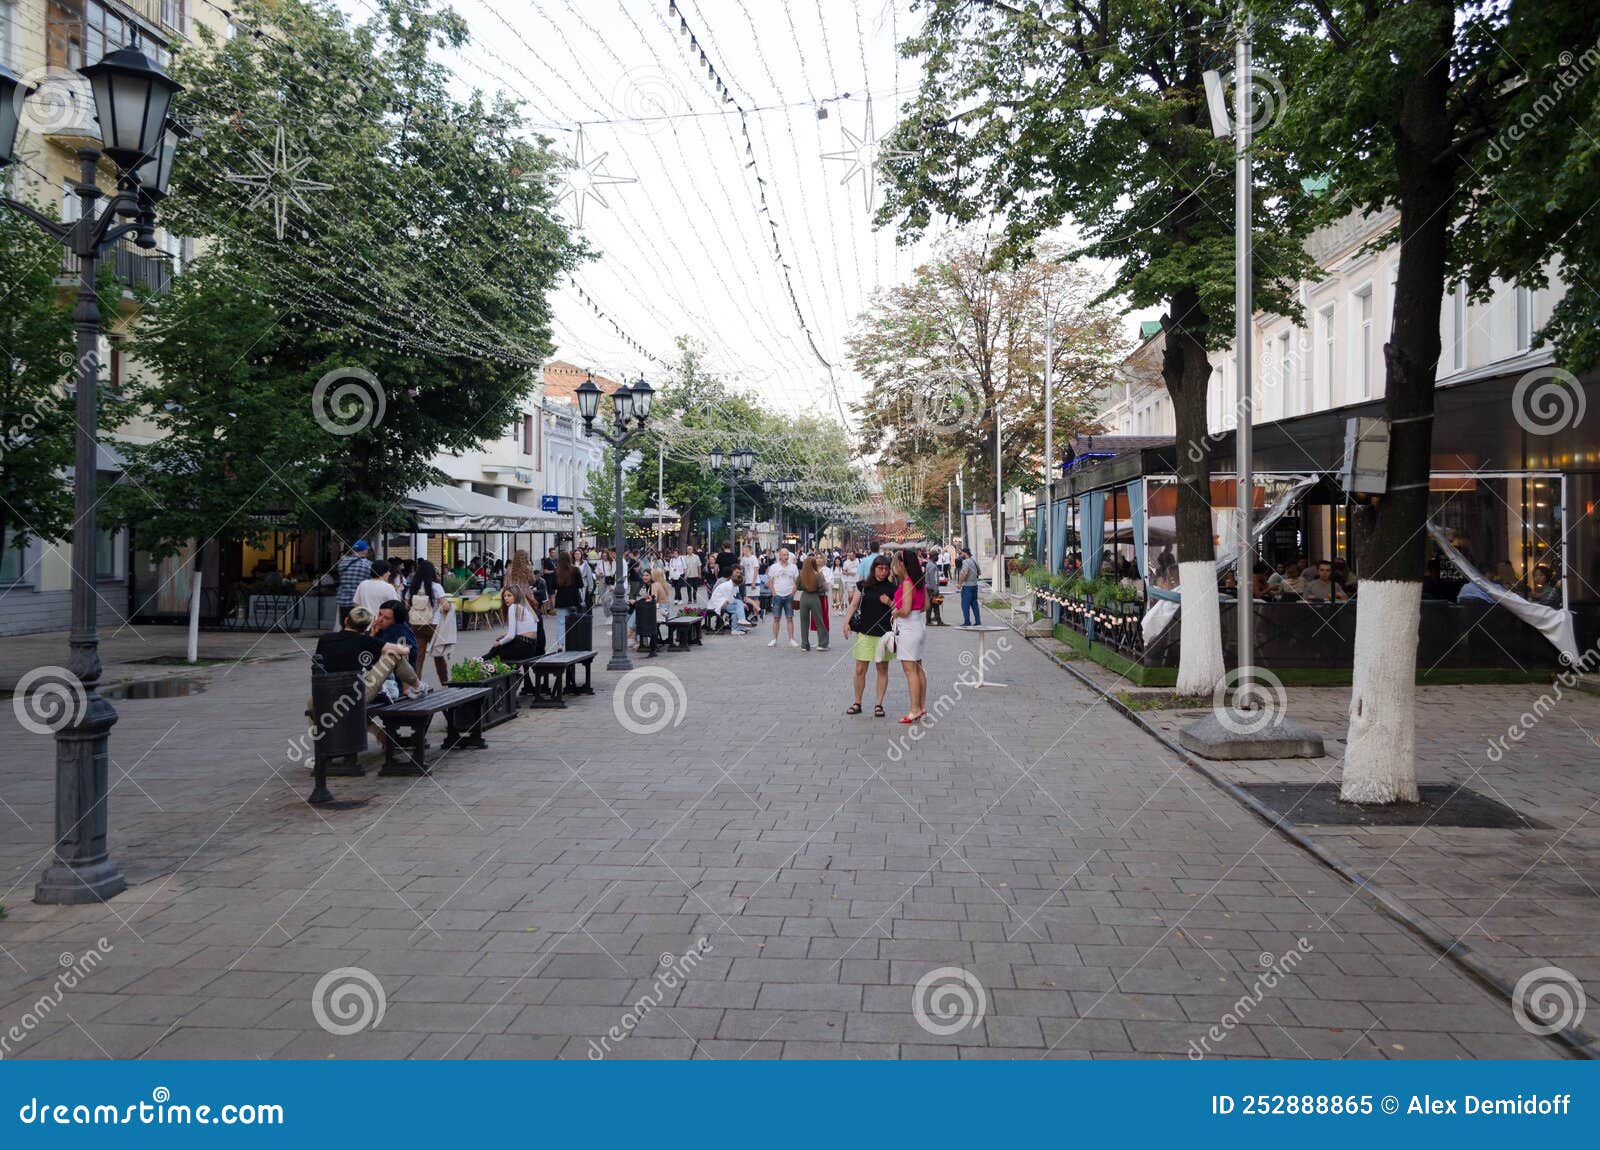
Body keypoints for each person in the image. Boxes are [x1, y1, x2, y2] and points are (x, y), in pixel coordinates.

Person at [311, 606, 427, 748]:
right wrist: (405, 648)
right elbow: (401, 650)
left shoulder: (325, 639)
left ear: (346, 620)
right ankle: (417, 686)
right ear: (366, 627)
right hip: (356, 694)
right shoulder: (365, 641)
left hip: (326, 693)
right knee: (393, 655)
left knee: (313, 705)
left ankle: (320, 751)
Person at [843, 554, 897, 717]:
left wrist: (889, 602)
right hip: (865, 632)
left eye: (886, 569)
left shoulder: (892, 588)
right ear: (874, 569)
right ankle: (857, 702)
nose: (883, 572)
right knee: (860, 669)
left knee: (882, 668)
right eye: (880, 568)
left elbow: (898, 611)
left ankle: (878, 704)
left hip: (884, 634)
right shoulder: (863, 586)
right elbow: (853, 604)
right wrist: (846, 623)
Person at [892, 551, 929, 723]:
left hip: (908, 629)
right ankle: (921, 706)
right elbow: (925, 606)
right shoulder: (919, 581)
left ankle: (914, 709)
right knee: (918, 667)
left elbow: (905, 610)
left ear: (902, 564)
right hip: (919, 625)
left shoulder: (907, 583)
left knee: (909, 670)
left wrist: (895, 612)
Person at [405, 559, 446, 672]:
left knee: (418, 655)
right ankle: (444, 681)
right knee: (438, 655)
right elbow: (445, 606)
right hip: (433, 624)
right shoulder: (436, 587)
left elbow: (407, 605)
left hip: (416, 624)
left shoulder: (413, 588)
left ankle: (416, 683)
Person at [372, 599, 420, 675]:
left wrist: (372, 637)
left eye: (386, 618)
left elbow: (372, 656)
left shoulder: (396, 632)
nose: (379, 620)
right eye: (380, 614)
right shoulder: (382, 629)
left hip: (395, 682)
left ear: (396, 621)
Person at [796, 554, 830, 652]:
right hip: (815, 597)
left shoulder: (801, 573)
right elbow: (824, 588)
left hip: (804, 597)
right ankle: (823, 644)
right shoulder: (818, 574)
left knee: (804, 622)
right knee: (819, 620)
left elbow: (797, 586)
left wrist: (805, 587)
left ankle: (804, 644)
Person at [768, 547, 800, 647]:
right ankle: (774, 639)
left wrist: (792, 593)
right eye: (784, 555)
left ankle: (791, 639)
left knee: (789, 618)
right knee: (776, 618)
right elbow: (770, 581)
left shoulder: (793, 567)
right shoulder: (774, 567)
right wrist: (774, 593)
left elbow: (796, 581)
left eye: (787, 555)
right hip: (777, 595)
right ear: (780, 556)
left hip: (788, 595)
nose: (786, 557)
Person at [334, 540, 372, 619]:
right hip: (359, 602)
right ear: (364, 550)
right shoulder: (368, 564)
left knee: (345, 625)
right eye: (367, 549)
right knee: (358, 626)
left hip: (343, 601)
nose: (368, 551)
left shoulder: (342, 563)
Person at [955, 547, 982, 626]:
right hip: (975, 586)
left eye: (961, 553)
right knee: (975, 604)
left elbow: (965, 573)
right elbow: (979, 573)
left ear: (965, 553)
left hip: (967, 586)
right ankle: (978, 622)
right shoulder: (974, 560)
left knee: (965, 605)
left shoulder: (966, 562)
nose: (961, 555)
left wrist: (960, 583)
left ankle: (967, 622)